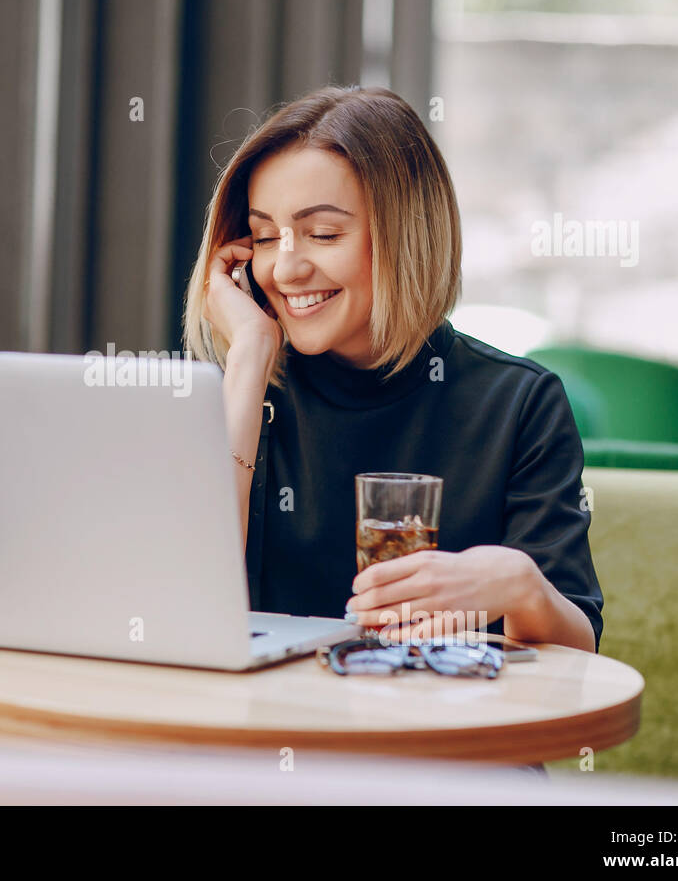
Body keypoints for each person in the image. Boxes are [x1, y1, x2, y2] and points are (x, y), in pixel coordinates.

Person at [183, 85, 602, 653]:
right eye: (263, 237)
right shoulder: (237, 386)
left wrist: (520, 588)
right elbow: (187, 603)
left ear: (408, 234)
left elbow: (577, 655)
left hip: (433, 732)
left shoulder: (518, 404)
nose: (284, 268)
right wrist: (251, 355)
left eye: (324, 234)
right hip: (260, 727)